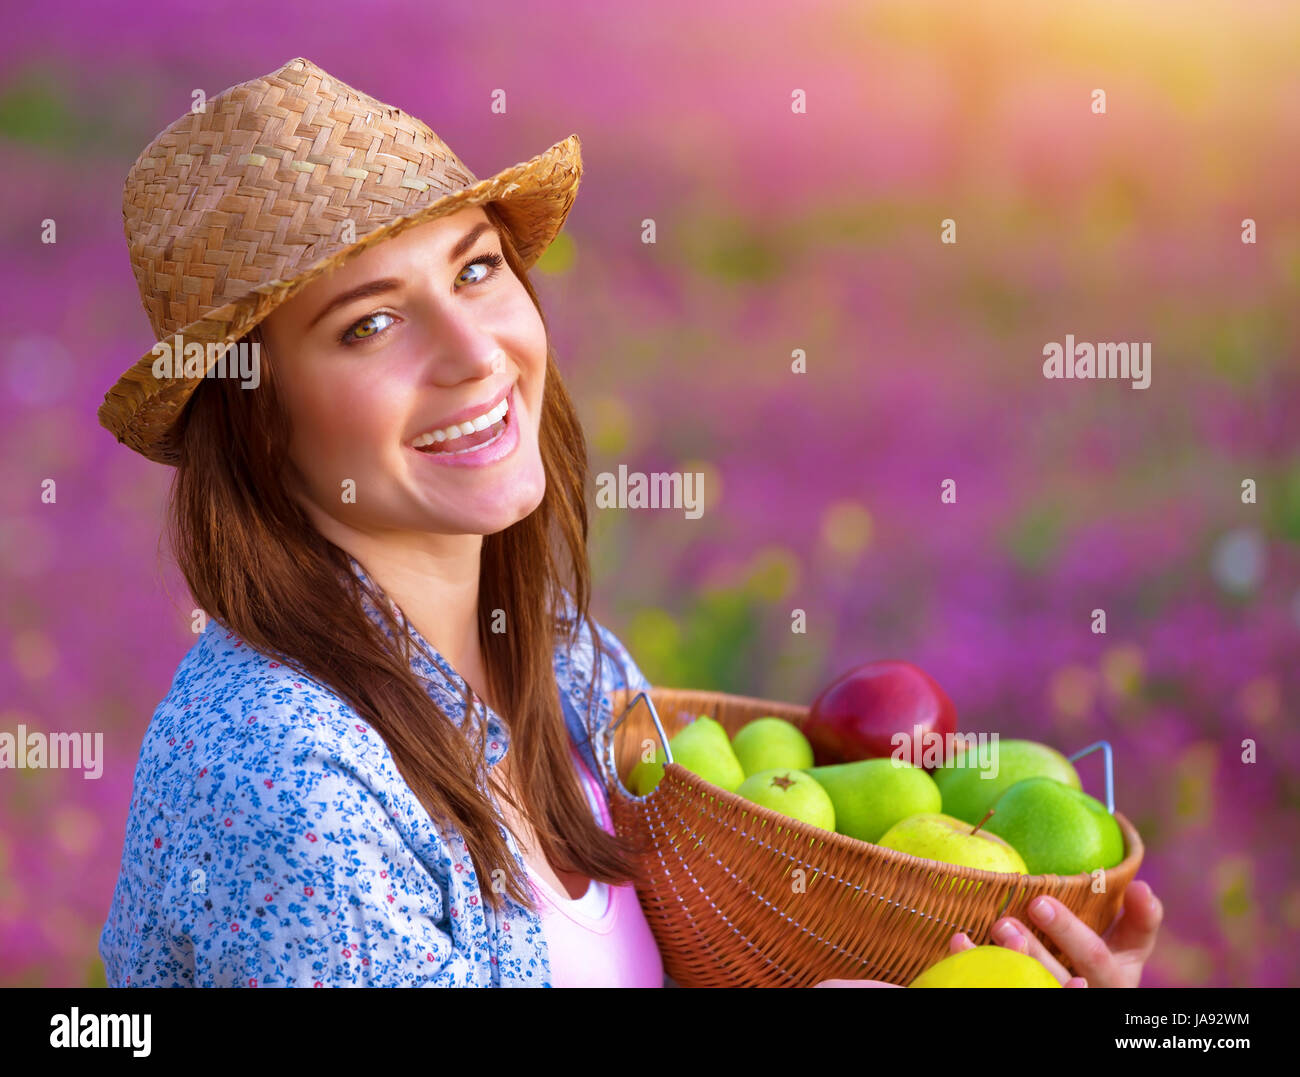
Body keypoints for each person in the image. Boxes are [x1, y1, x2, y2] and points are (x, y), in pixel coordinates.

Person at [96, 58, 1162, 988]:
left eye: (476, 268)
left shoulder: (566, 667)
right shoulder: (275, 778)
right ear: (259, 426)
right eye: (370, 323)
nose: (474, 351)